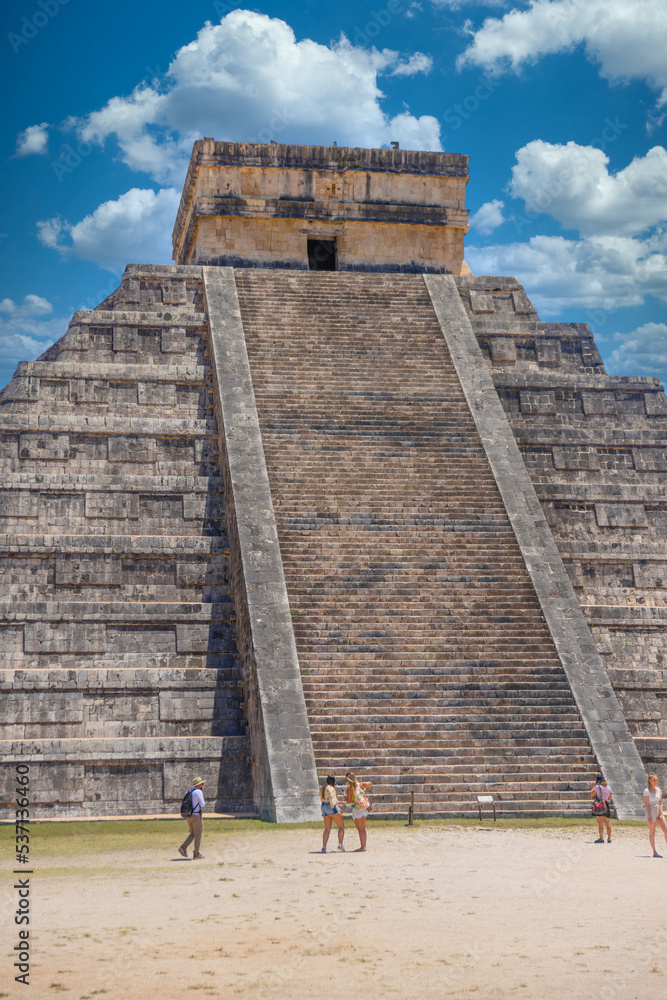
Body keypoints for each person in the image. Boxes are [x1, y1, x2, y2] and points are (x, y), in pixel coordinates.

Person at [178, 777, 205, 859]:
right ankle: (196, 854)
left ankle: (183, 847)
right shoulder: (198, 792)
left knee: (192, 833)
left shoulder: (188, 791)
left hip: (188, 815)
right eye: (202, 783)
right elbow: (202, 804)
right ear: (199, 784)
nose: (203, 784)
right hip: (196, 815)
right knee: (198, 835)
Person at [345, 771, 372, 852]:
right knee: (363, 829)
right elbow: (370, 783)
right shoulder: (360, 785)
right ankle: (364, 846)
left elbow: (349, 801)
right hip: (365, 807)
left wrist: (344, 796)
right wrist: (364, 784)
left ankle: (363, 847)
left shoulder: (349, 789)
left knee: (360, 829)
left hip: (357, 809)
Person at [643, 772, 667, 858]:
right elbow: (646, 804)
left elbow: (661, 802)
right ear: (649, 780)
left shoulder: (659, 790)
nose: (655, 781)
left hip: (658, 811)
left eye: (656, 780)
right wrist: (649, 816)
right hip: (651, 811)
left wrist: (661, 813)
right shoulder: (646, 791)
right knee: (652, 832)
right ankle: (654, 851)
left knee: (666, 830)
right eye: (653, 780)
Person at [320, 775, 345, 853]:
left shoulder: (323, 788)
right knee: (341, 826)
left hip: (323, 806)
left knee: (327, 828)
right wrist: (341, 803)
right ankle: (340, 844)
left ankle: (324, 846)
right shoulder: (331, 789)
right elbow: (333, 802)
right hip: (330, 807)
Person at [590, 774, 612, 843]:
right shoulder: (608, 787)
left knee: (600, 823)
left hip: (599, 805)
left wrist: (594, 786)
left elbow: (591, 794)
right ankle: (609, 838)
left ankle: (601, 838)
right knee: (607, 823)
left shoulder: (597, 787)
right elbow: (610, 798)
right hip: (606, 804)